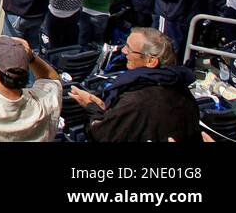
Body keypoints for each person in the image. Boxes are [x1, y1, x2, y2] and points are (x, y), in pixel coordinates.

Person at [67, 28, 201, 142]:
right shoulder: (180, 87)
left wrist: (92, 108)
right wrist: (103, 109)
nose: (124, 51)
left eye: (130, 49)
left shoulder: (137, 100)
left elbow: (102, 134)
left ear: (151, 61)